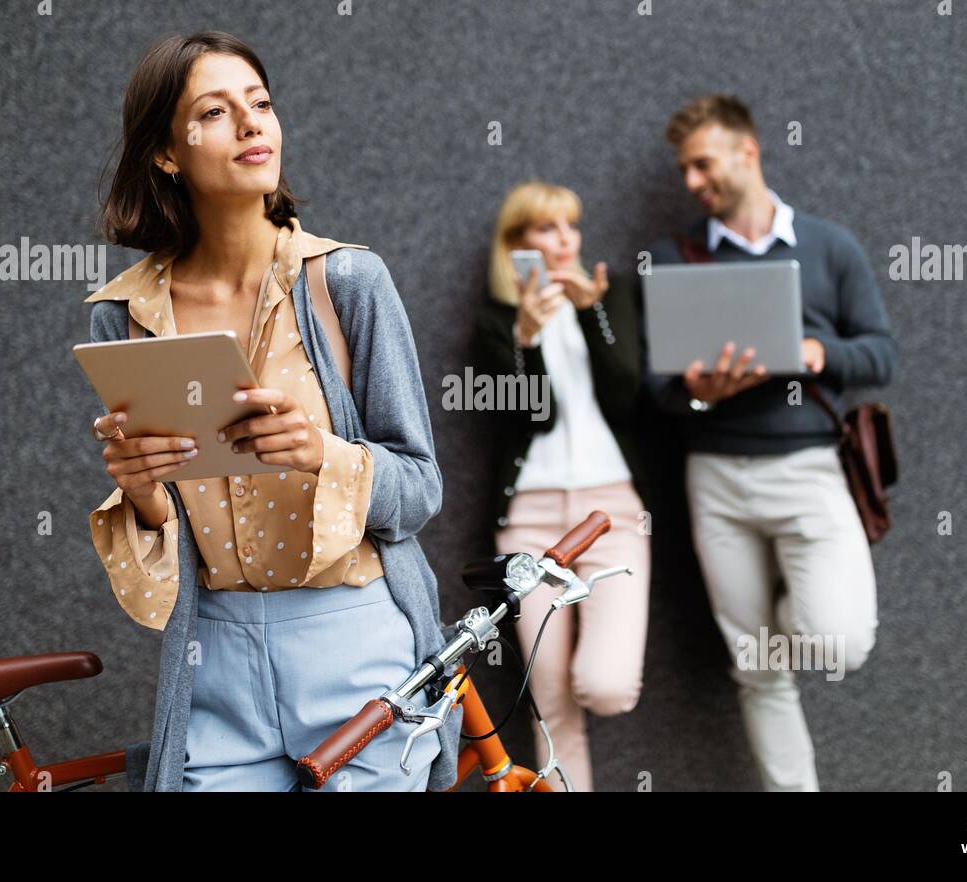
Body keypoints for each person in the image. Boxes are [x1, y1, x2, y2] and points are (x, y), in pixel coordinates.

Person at [82, 31, 461, 792]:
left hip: (355, 642)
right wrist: (146, 493)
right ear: (166, 152)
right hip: (214, 658)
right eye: (216, 113)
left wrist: (323, 451)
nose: (253, 125)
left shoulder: (346, 281)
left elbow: (419, 489)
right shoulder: (124, 314)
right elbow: (169, 537)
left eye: (261, 104)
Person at [641, 94, 897, 791]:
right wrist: (704, 392)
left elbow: (881, 355)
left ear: (747, 152)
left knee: (840, 639)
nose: (693, 182)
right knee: (757, 669)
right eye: (684, 171)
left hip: (811, 472)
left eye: (701, 164)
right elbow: (661, 391)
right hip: (716, 480)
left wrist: (816, 352)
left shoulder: (829, 246)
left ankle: (792, 606)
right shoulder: (672, 258)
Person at [471, 181, 652, 791]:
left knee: (606, 685)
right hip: (530, 521)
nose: (564, 241)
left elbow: (628, 391)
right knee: (549, 705)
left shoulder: (611, 297)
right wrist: (526, 337)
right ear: (515, 245)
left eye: (570, 227)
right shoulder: (497, 323)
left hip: (613, 514)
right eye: (547, 229)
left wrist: (593, 310)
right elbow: (533, 414)